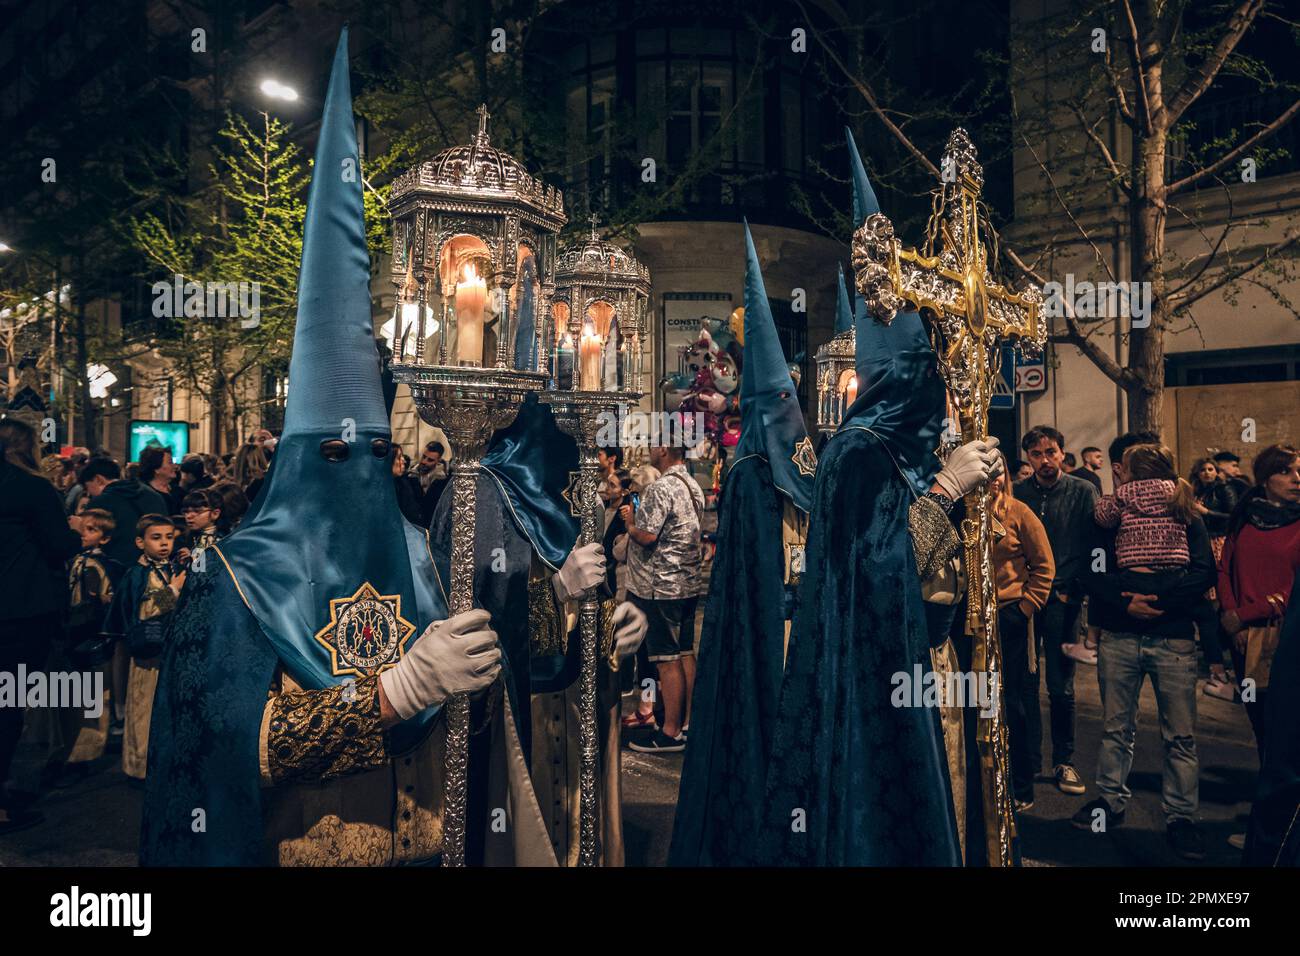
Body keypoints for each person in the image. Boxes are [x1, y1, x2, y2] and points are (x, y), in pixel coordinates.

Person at [141, 34, 554, 866]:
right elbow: (228, 742)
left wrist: (572, 617)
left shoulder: (420, 556)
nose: (357, 475)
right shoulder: (234, 579)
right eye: (334, 457)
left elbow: (499, 673)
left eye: (372, 456)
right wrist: (394, 693)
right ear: (294, 463)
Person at [669, 223, 816, 864]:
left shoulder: (802, 466)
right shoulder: (752, 473)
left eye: (793, 400)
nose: (789, 415)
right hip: (767, 637)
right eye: (776, 402)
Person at [1076, 432, 1217, 860]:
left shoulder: (1183, 509)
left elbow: (1203, 569)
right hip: (1120, 635)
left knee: (1180, 735)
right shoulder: (1113, 514)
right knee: (1117, 727)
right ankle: (1110, 801)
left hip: (1173, 637)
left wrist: (1158, 600)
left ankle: (1181, 818)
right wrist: (1125, 599)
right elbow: (1092, 569)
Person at [0, 419, 82, 835]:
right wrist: (76, 535)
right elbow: (58, 544)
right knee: (9, 703)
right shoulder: (32, 488)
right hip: (20, 611)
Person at [1013, 424, 1098, 797]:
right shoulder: (1019, 493)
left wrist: (1074, 593)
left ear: (1063, 453)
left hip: (1063, 599)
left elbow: (1094, 546)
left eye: (1051, 452)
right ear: (1028, 458)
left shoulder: (1082, 491)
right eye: (1037, 454)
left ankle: (1064, 760)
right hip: (1027, 600)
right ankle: (1029, 762)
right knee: (1026, 685)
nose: (1045, 460)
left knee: (1060, 687)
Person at [1217, 444, 1300, 763]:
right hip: (1245, 640)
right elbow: (1225, 568)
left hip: (1287, 636)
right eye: (1286, 471)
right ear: (1265, 479)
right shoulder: (1245, 518)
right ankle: (1269, 793)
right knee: (1260, 721)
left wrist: (1244, 614)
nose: (1296, 478)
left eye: (1299, 471)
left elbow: (1293, 589)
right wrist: (1230, 614)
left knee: (1288, 724)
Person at [621, 443, 705, 755]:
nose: (649, 450)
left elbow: (647, 535)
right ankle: (684, 723)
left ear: (665, 449)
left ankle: (669, 732)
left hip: (661, 585)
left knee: (666, 660)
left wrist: (630, 523)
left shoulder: (661, 487)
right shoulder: (691, 484)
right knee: (684, 653)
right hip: (687, 582)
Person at [988, 450, 1055, 812]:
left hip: (1011, 616)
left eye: (999, 471)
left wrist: (1025, 607)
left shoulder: (1019, 512)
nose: (994, 478)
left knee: (1013, 701)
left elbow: (1044, 566)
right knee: (978, 699)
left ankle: (1021, 785)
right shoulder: (965, 511)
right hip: (974, 621)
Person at [102, 514, 184, 781]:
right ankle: (140, 765)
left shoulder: (168, 567)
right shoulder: (139, 574)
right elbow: (145, 610)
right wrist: (173, 590)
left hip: (168, 652)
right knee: (144, 707)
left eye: (169, 537)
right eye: (156, 537)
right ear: (140, 542)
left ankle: (162, 762)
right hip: (147, 655)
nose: (164, 544)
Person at [414, 440, 450, 526]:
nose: (424, 461)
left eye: (430, 460)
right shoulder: (410, 474)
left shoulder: (443, 482)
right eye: (423, 457)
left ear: (438, 461)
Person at [139, 446, 180, 515]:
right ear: (156, 469)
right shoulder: (144, 495)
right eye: (170, 463)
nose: (175, 466)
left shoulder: (179, 491)